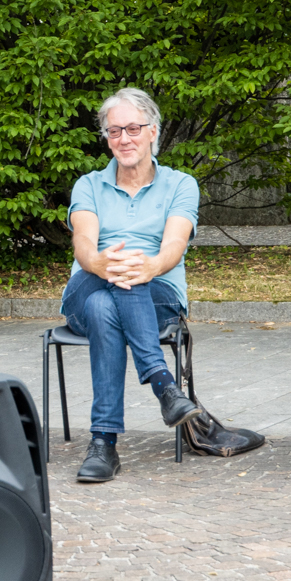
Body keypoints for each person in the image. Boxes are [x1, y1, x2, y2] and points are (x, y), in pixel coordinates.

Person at [60, 88, 203, 483]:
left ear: (153, 131)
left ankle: (103, 443)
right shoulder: (88, 184)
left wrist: (151, 265)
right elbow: (85, 245)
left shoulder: (181, 184)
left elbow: (174, 244)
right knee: (111, 286)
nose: (124, 138)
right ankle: (163, 386)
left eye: (133, 128)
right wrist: (103, 264)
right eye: (114, 131)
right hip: (87, 285)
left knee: (113, 300)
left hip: (156, 293)